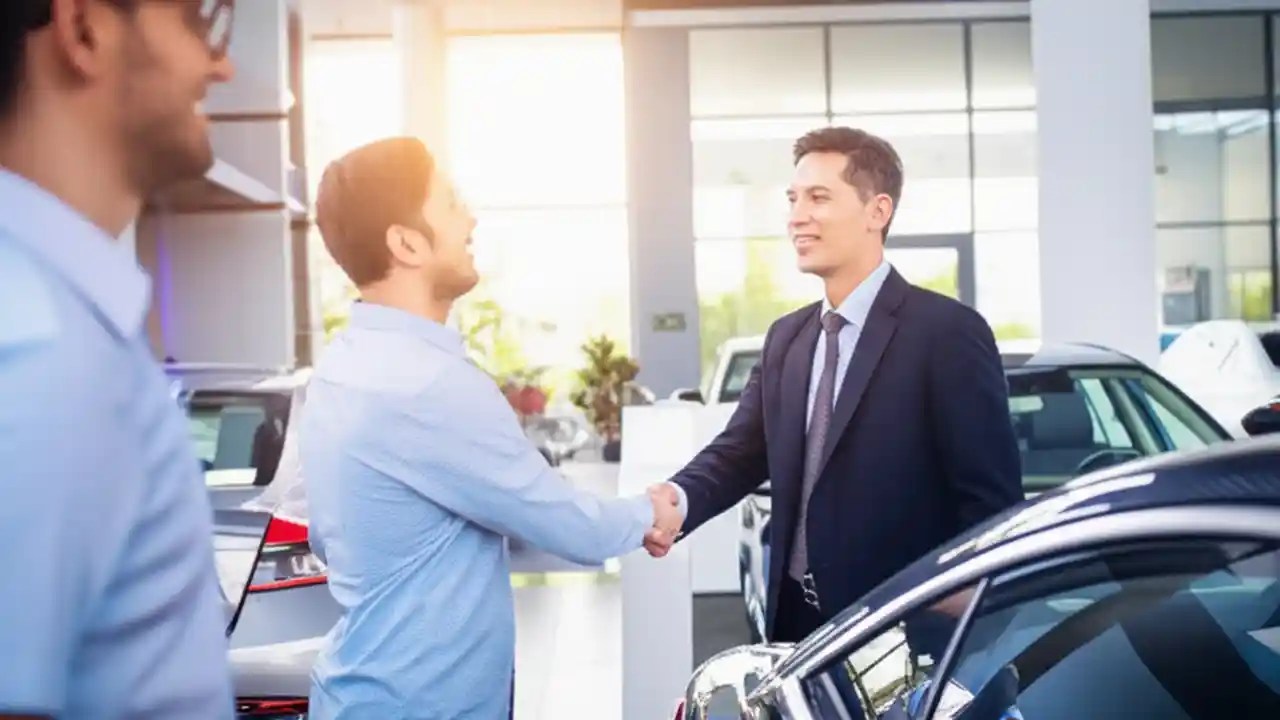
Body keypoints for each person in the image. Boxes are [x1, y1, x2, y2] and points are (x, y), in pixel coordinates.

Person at [301, 136, 681, 720]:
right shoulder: (427, 384)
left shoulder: (341, 369)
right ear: (405, 242)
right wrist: (652, 511)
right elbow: (569, 525)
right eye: (450, 204)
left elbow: (329, 538)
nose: (470, 219)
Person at [648, 126, 1023, 643]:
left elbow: (991, 508)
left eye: (819, 197)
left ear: (878, 211)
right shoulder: (787, 338)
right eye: (793, 198)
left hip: (901, 635)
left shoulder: (947, 334)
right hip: (796, 632)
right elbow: (739, 452)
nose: (797, 215)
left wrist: (953, 622)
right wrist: (675, 499)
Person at [0, 0, 237, 717]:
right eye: (200, 21)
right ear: (84, 29)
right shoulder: (37, 351)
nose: (222, 64)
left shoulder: (65, 325)